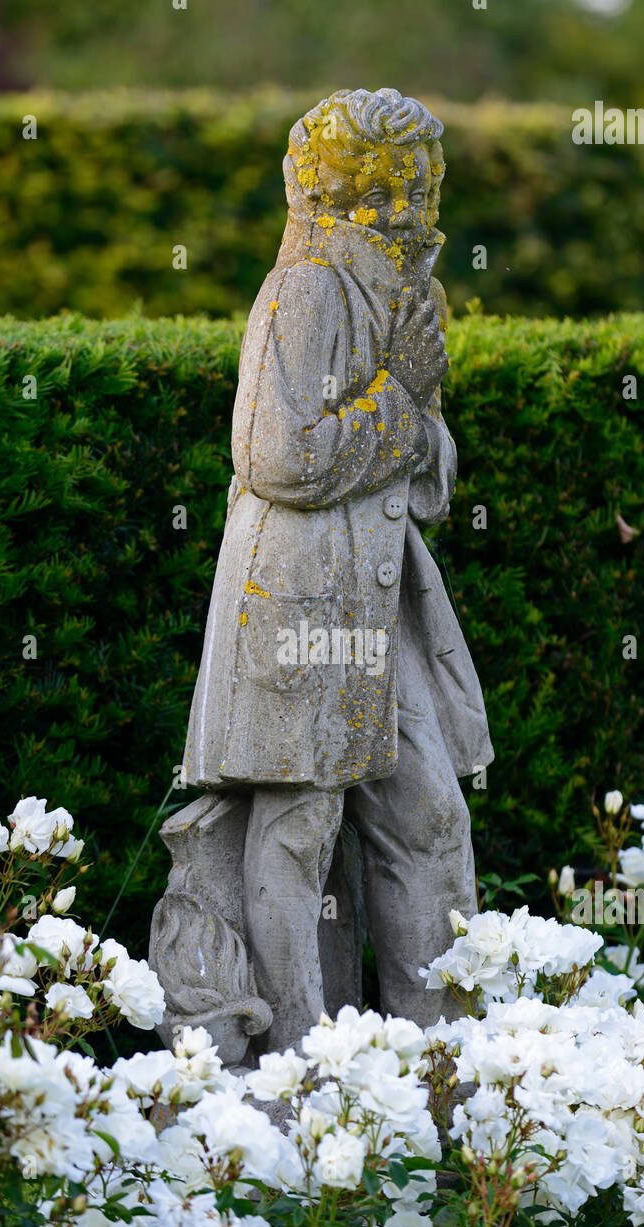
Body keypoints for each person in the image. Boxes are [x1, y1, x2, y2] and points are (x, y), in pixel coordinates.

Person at [184, 88, 493, 1049]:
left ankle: (435, 1062)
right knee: (298, 826)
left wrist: (412, 416)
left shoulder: (410, 297)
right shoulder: (306, 290)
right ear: (341, 191)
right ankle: (295, 1063)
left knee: (431, 813)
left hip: (380, 595)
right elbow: (279, 458)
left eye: (422, 182)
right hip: (296, 591)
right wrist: (399, 398)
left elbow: (430, 465)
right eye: (391, 185)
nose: (412, 206)